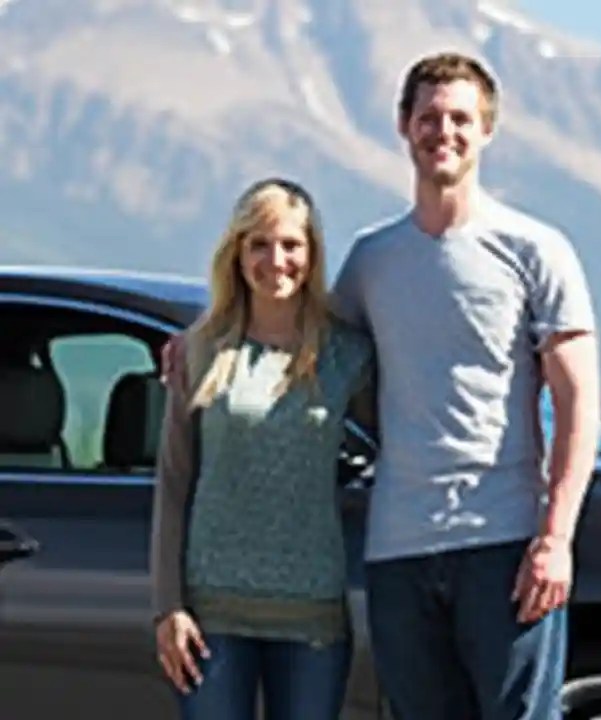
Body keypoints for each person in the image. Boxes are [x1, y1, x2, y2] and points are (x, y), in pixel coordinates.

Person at [327, 51, 601, 720]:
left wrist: (554, 539)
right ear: (403, 125)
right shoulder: (371, 261)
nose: (442, 132)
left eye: (459, 119)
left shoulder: (535, 249)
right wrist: (204, 340)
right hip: (398, 546)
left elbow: (578, 403)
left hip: (504, 542)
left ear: (486, 131)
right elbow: (310, 356)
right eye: (429, 117)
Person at [150, 178, 375, 720]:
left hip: (313, 618)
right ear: (237, 252)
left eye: (291, 245)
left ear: (312, 255)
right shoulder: (199, 351)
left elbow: (402, 441)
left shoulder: (347, 355)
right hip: (211, 617)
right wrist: (168, 608)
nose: (276, 261)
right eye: (259, 244)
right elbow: (174, 484)